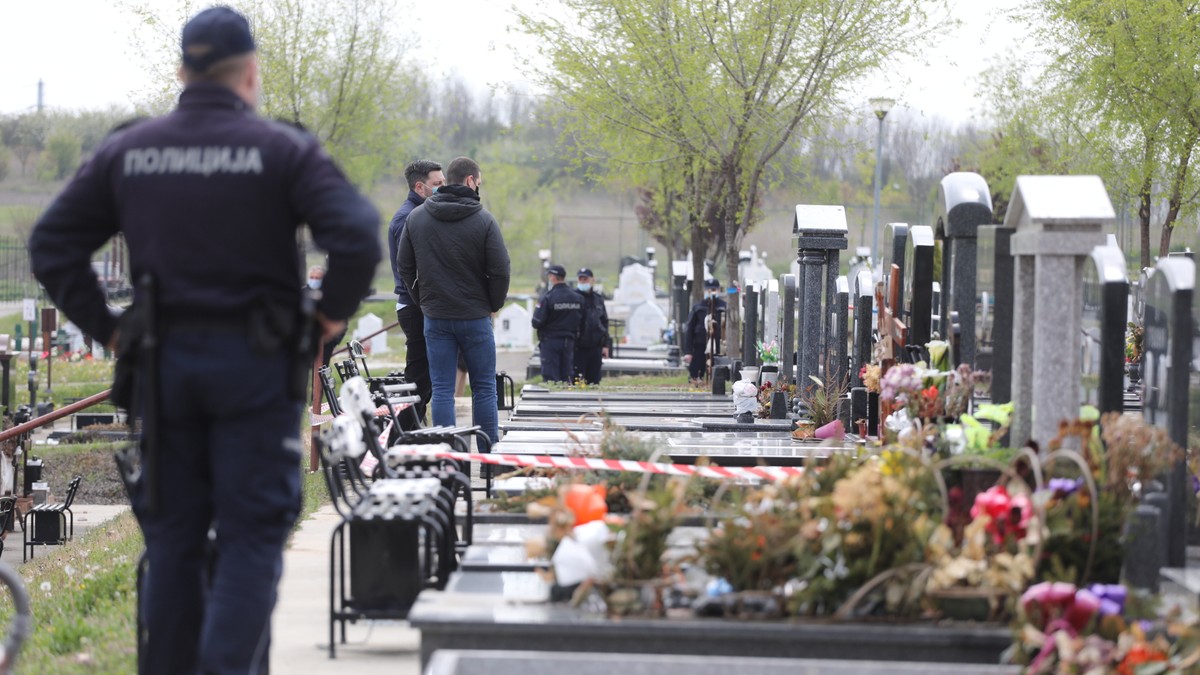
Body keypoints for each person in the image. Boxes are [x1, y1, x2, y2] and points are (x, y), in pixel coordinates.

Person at [27, 7, 381, 674]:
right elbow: (358, 238)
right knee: (250, 540)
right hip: (256, 370)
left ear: (182, 70)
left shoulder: (133, 149)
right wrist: (323, 323)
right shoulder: (281, 149)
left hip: (164, 373)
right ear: (250, 73)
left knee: (174, 542)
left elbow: (52, 245)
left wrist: (110, 328)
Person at [397, 156, 510, 445]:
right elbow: (500, 269)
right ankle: (487, 455)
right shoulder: (484, 220)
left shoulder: (416, 219)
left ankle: (449, 458)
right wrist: (492, 304)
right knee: (484, 388)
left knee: (442, 389)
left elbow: (405, 267)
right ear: (471, 181)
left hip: (437, 318)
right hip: (475, 316)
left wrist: (423, 301)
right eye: (479, 182)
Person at [388, 160, 444, 422]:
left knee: (426, 379)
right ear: (420, 187)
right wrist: (427, 304)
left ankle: (415, 429)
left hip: (421, 304)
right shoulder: (407, 219)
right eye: (438, 184)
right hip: (415, 305)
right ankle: (408, 435)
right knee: (419, 379)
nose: (444, 188)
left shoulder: (422, 215)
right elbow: (410, 270)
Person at [532, 264, 582, 383]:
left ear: (553, 277)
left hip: (551, 342)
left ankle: (551, 401)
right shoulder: (577, 298)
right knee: (568, 376)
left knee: (551, 378)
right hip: (569, 342)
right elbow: (583, 320)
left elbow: (536, 322)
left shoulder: (548, 297)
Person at [684, 278, 727, 382]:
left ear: (718, 290)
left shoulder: (724, 306)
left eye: (713, 289)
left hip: (718, 347)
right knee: (696, 374)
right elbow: (689, 329)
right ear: (704, 291)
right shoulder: (698, 307)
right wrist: (688, 351)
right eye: (708, 289)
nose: (711, 292)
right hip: (699, 346)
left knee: (717, 376)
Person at [573, 267, 610, 384]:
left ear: (592, 280)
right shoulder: (573, 297)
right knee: (576, 380)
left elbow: (604, 322)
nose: (583, 281)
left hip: (595, 347)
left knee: (594, 381)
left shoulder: (598, 299)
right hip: (578, 347)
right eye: (581, 279)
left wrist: (605, 345)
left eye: (585, 279)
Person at [308, 264, 346, 367]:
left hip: (326, 343)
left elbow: (342, 319)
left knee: (322, 369)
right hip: (305, 341)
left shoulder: (332, 294)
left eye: (317, 278)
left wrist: (333, 341)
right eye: (312, 277)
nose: (314, 280)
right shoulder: (302, 293)